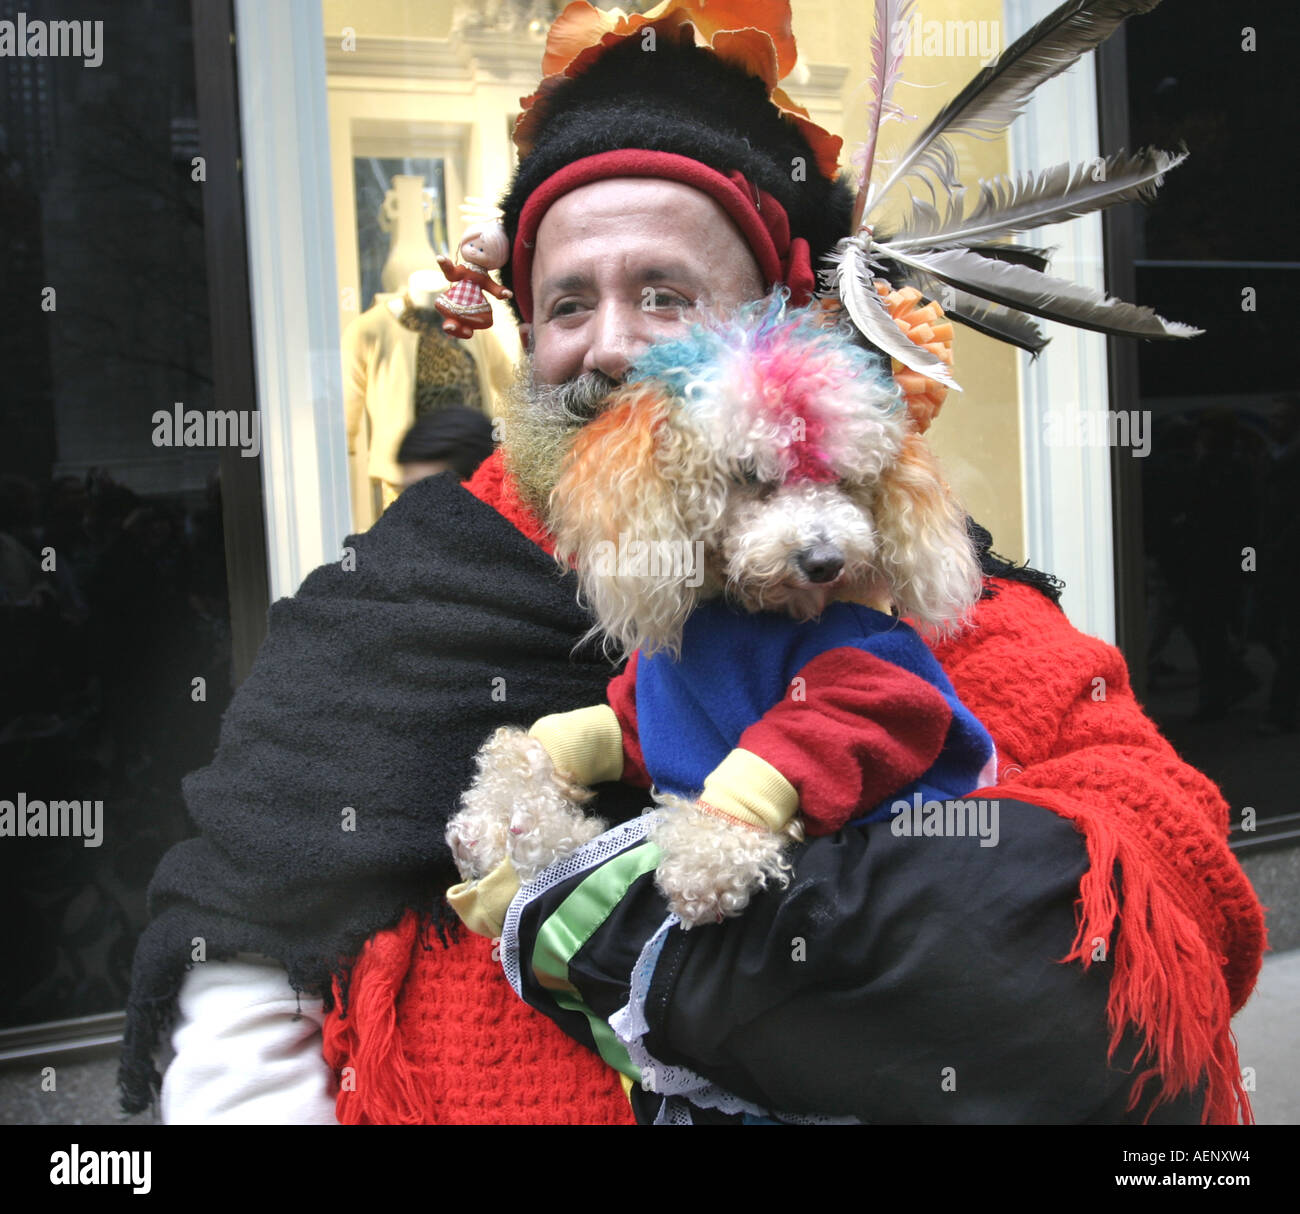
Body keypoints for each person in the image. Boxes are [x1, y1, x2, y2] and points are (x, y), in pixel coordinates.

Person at [121, 1, 1263, 1125]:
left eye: (662, 294)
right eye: (568, 301)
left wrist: (640, 924)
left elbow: (1150, 889)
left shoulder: (897, 581)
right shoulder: (400, 600)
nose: (608, 343)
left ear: (775, 319)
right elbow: (241, 954)